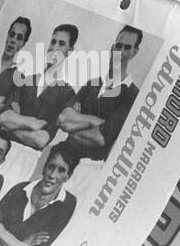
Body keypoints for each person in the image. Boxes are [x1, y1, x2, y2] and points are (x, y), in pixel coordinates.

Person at [56, 24, 143, 160]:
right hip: (64, 154)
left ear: (134, 52)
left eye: (127, 48)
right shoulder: (92, 84)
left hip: (91, 166)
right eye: (118, 46)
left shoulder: (132, 96)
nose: (120, 52)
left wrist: (76, 121)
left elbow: (101, 138)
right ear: (112, 48)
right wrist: (96, 122)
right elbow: (62, 119)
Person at [0, 22, 80, 149]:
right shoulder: (27, 81)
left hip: (28, 157)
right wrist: (34, 124)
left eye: (61, 44)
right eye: (53, 42)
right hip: (3, 147)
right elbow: (3, 118)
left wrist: (16, 121)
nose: (54, 48)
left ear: (69, 52)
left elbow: (41, 140)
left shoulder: (67, 94)